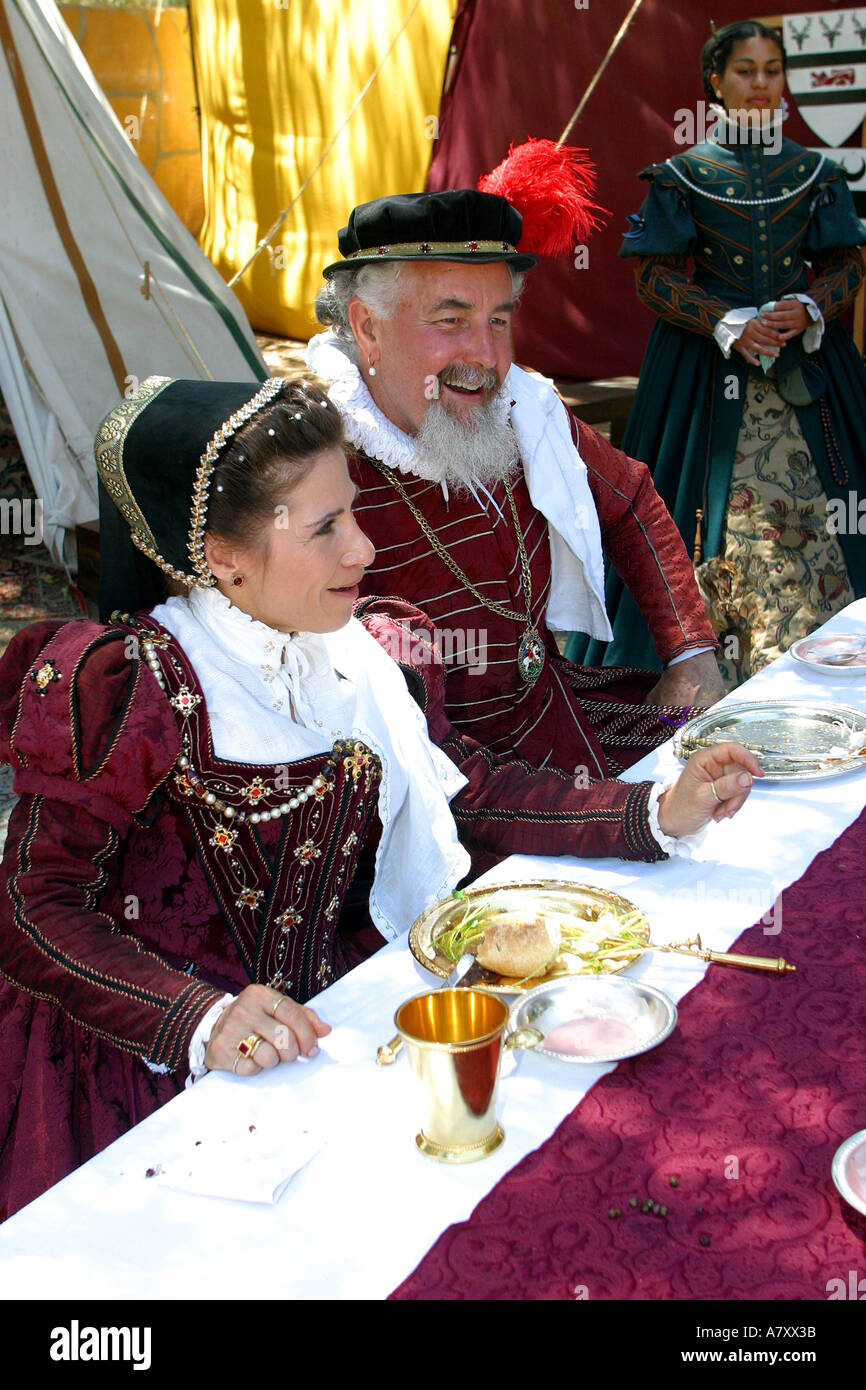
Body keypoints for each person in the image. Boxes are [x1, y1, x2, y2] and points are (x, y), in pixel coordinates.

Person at [0, 375, 758, 1219]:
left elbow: (469, 789)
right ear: (222, 560)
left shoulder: (357, 654)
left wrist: (651, 812)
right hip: (146, 1069)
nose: (362, 549)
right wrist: (195, 1017)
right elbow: (32, 906)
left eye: (352, 513)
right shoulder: (131, 687)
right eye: (325, 529)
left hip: (326, 1041)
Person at [309, 188, 727, 781]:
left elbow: (631, 498)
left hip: (558, 714)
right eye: (451, 320)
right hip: (432, 782)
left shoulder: (525, 412)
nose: (484, 355)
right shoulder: (319, 461)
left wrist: (690, 653)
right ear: (367, 328)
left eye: (498, 320)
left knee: (738, 762)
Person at [585, 19, 866, 686]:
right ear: (716, 81)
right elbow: (653, 276)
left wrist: (814, 305)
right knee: (698, 519)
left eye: (772, 71)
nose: (761, 84)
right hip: (705, 378)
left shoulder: (813, 173)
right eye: (747, 70)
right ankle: (708, 672)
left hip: (807, 367)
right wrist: (727, 321)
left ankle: (833, 661)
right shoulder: (684, 175)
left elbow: (847, 260)